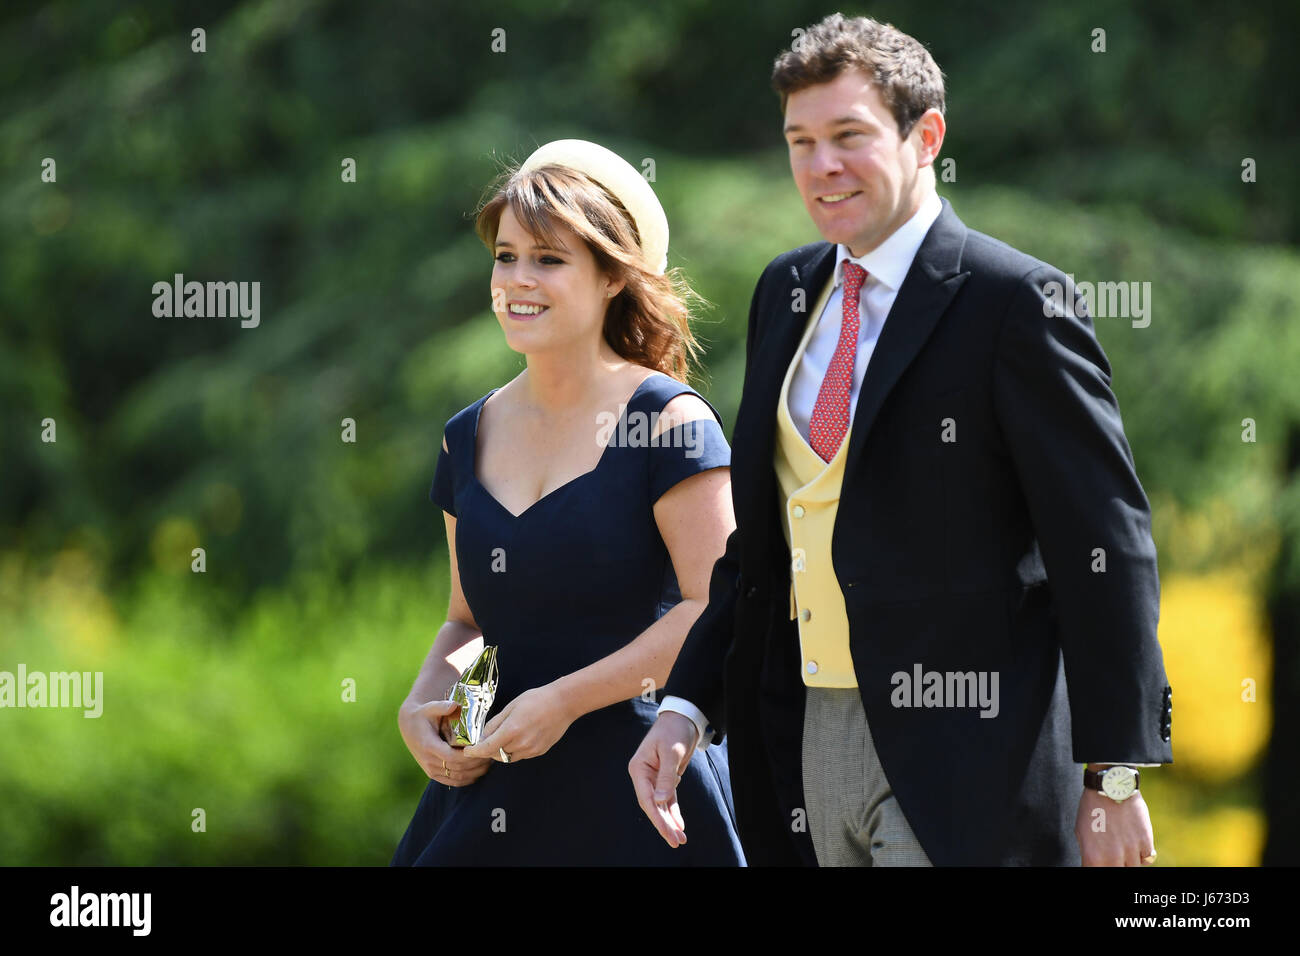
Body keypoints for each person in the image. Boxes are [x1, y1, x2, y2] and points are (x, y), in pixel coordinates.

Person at [629, 14, 1174, 867]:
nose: (821, 166)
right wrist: (687, 707)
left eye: (849, 136)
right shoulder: (788, 291)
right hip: (803, 740)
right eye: (800, 141)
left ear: (927, 137)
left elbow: (1104, 546)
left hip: (970, 758)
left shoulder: (1017, 304)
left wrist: (1112, 778)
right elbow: (762, 548)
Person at [391, 139, 746, 865]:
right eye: (506, 255)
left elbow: (717, 608)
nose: (518, 279)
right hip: (496, 791)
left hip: (644, 787)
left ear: (614, 276)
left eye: (549, 259)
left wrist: (566, 699)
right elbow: (466, 620)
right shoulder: (467, 435)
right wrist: (422, 704)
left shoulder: (670, 421)